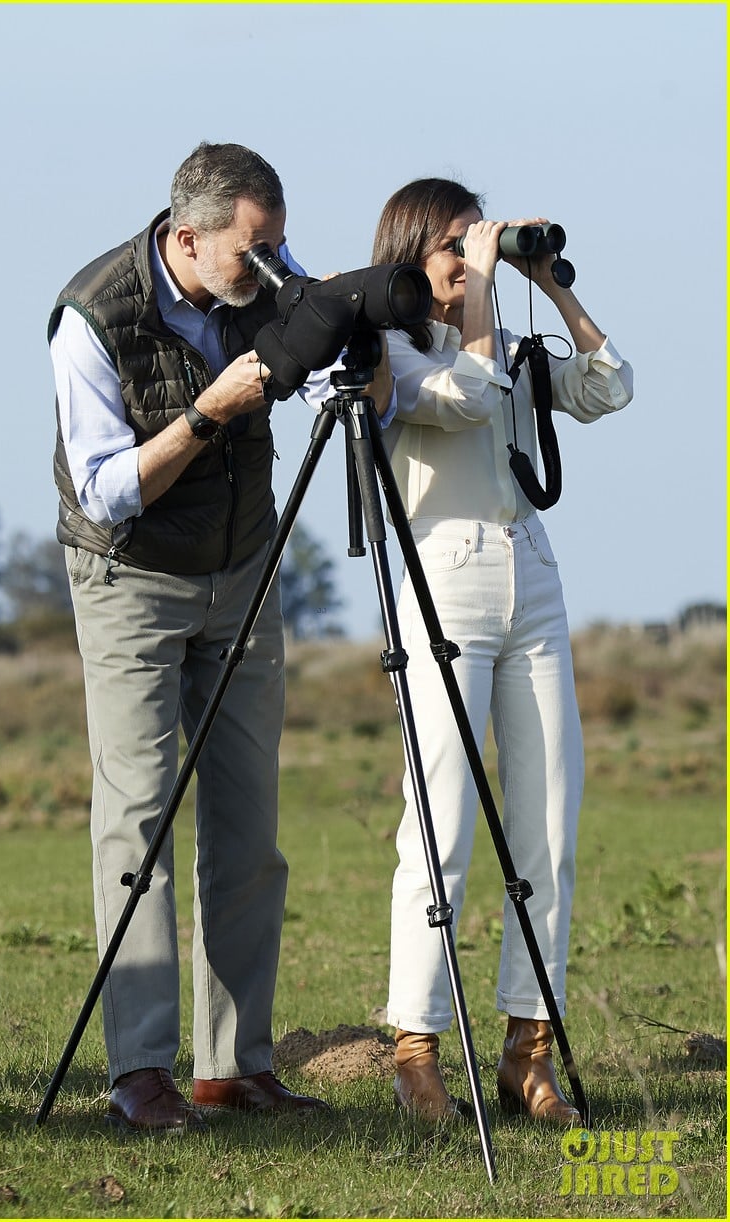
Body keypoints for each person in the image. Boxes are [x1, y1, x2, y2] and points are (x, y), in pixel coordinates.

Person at [48, 142, 331, 1132]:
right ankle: (139, 1069)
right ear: (186, 238)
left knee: (250, 833)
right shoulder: (91, 316)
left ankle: (234, 1065)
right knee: (139, 824)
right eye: (254, 253)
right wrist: (207, 416)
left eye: (278, 249)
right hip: (132, 577)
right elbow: (107, 490)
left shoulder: (263, 282)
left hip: (244, 567)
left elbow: (323, 323)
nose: (272, 271)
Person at [371, 178, 633, 1124]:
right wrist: (480, 292)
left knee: (551, 820)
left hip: (532, 575)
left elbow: (610, 386)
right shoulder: (390, 353)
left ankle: (529, 1046)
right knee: (438, 823)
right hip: (441, 580)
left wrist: (549, 283)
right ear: (409, 250)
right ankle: (415, 1048)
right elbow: (470, 399)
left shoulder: (510, 341)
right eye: (451, 242)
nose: (464, 254)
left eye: (472, 241)